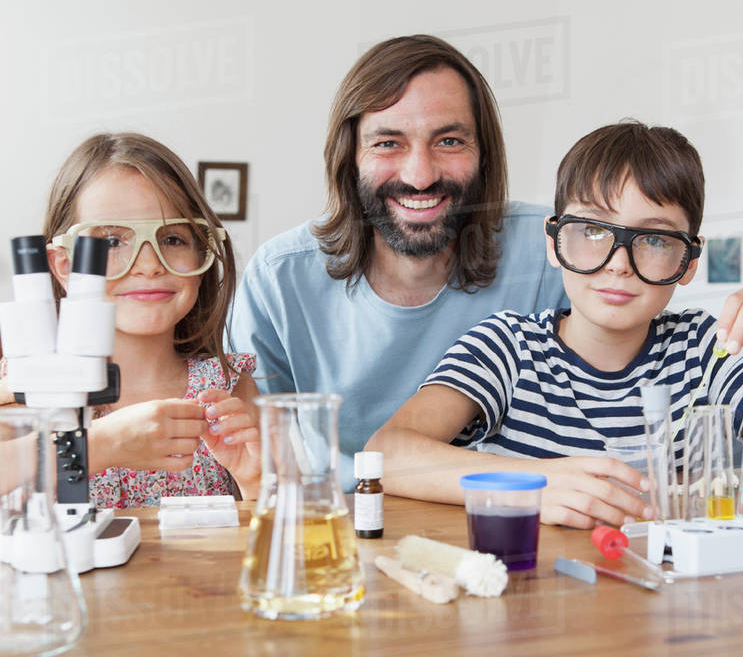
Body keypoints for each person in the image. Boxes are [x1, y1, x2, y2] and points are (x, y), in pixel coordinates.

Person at [367, 121, 743, 528]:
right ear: (553, 242)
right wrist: (534, 484)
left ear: (689, 261)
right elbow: (388, 454)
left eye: (654, 240)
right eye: (593, 231)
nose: (619, 263)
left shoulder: (706, 350)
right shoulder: (507, 347)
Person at [227, 35, 567, 487]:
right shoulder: (277, 279)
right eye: (388, 143)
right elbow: (258, 469)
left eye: (448, 140)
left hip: (511, 523)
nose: (420, 175)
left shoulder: (552, 251)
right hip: (345, 530)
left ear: (485, 155)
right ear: (350, 157)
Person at [0, 133, 261, 524]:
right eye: (110, 241)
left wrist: (256, 481)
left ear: (202, 253)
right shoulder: (37, 384)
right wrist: (101, 444)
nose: (148, 265)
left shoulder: (227, 385)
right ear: (63, 267)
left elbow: (277, 518)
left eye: (173, 238)